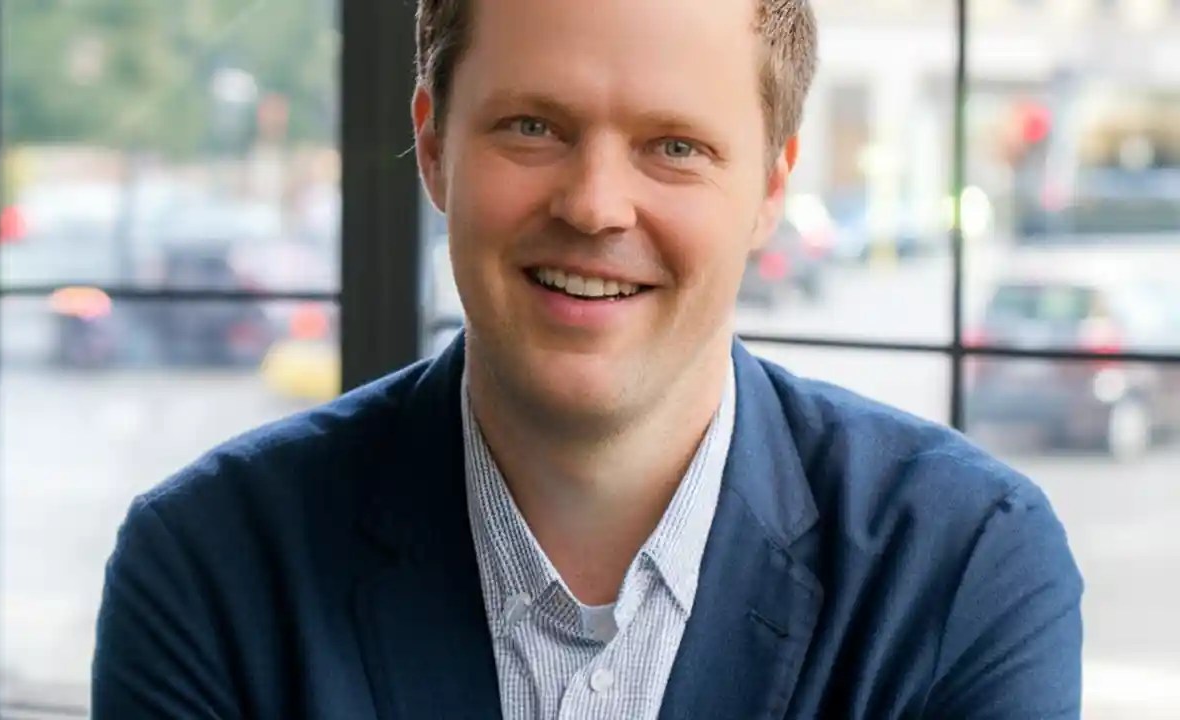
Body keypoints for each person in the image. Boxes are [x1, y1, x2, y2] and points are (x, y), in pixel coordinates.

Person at [92, 0, 1083, 716]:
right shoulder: (209, 567)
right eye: (533, 127)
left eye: (674, 148)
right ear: (433, 149)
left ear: (771, 186)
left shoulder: (962, 569)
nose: (594, 205)